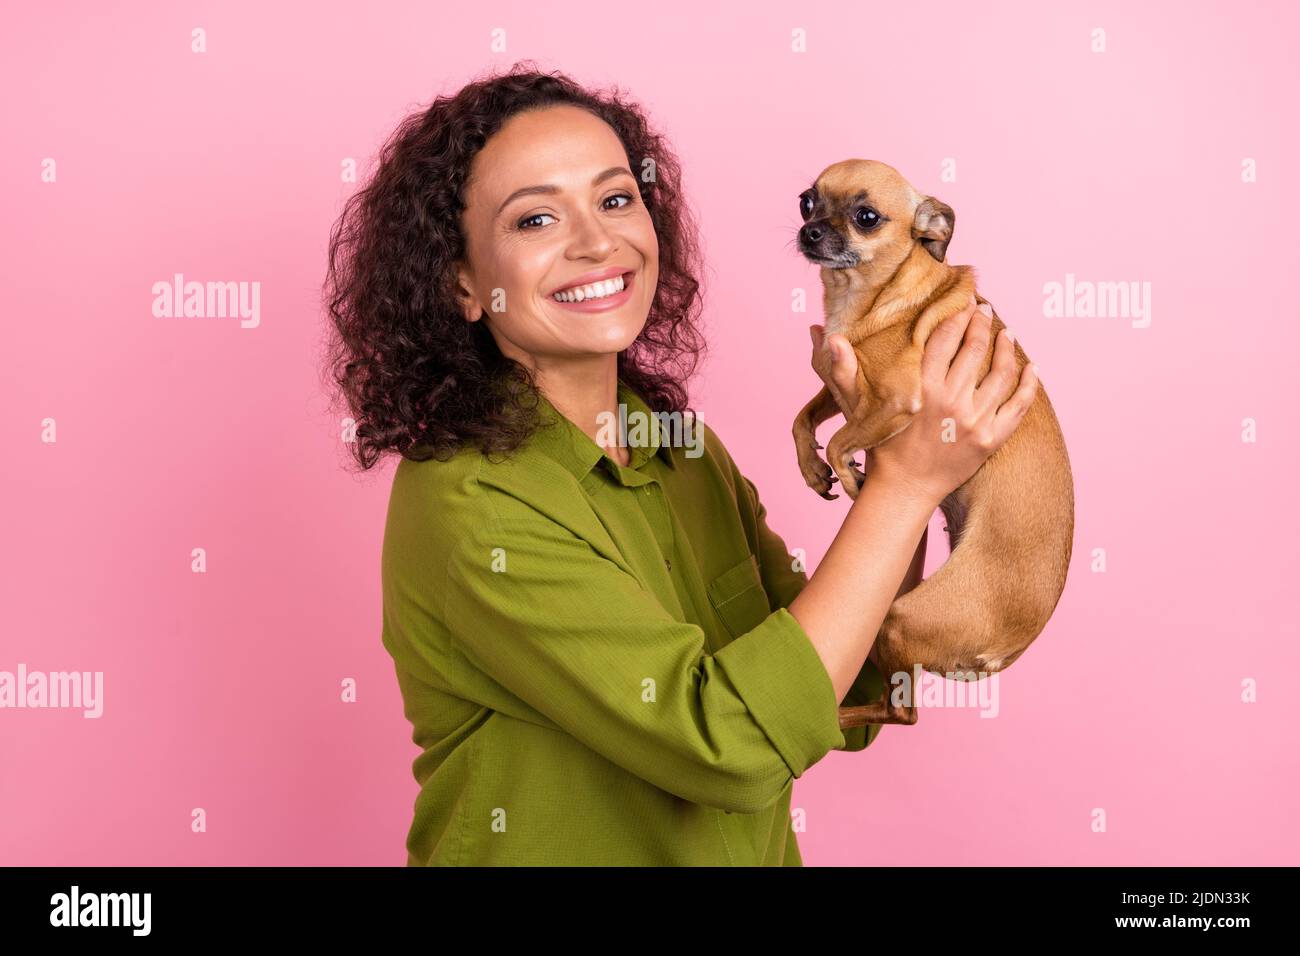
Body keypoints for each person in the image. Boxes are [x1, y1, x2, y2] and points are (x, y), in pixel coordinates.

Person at [321, 62, 1038, 866]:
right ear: (459, 281)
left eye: (616, 199)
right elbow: (729, 745)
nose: (598, 242)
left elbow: (833, 679)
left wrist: (906, 440)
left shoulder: (679, 450)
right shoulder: (474, 505)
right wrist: (905, 486)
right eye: (534, 221)